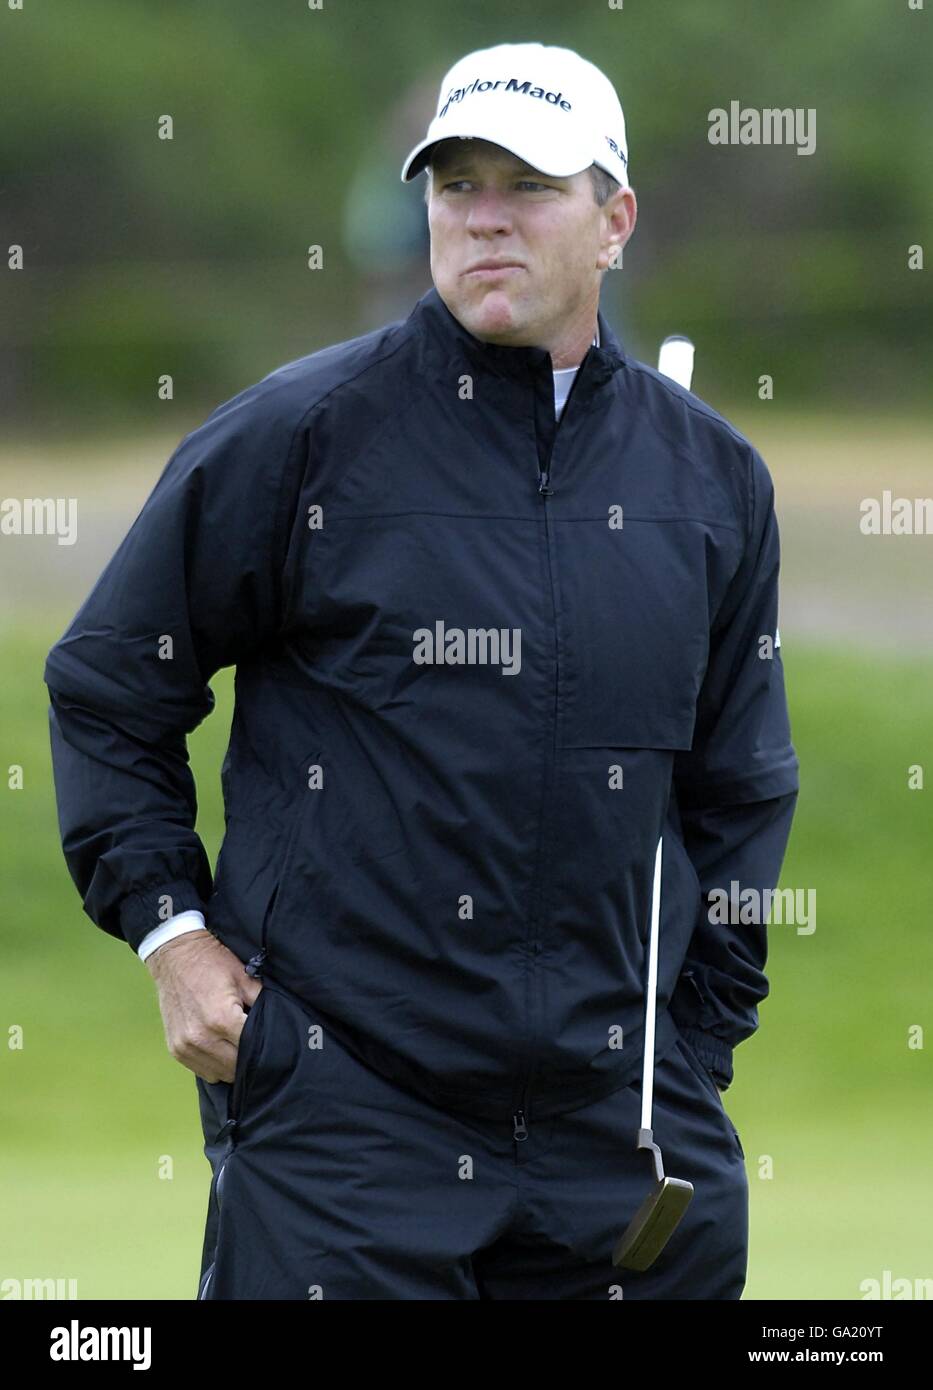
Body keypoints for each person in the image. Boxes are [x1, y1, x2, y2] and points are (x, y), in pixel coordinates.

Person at [44, 40, 799, 1300]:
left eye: (528, 185)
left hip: (625, 1139)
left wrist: (697, 1044)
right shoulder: (300, 433)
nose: (483, 218)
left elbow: (743, 785)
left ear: (616, 219)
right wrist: (171, 935)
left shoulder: (711, 479)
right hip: (343, 1121)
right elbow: (113, 684)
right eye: (456, 185)